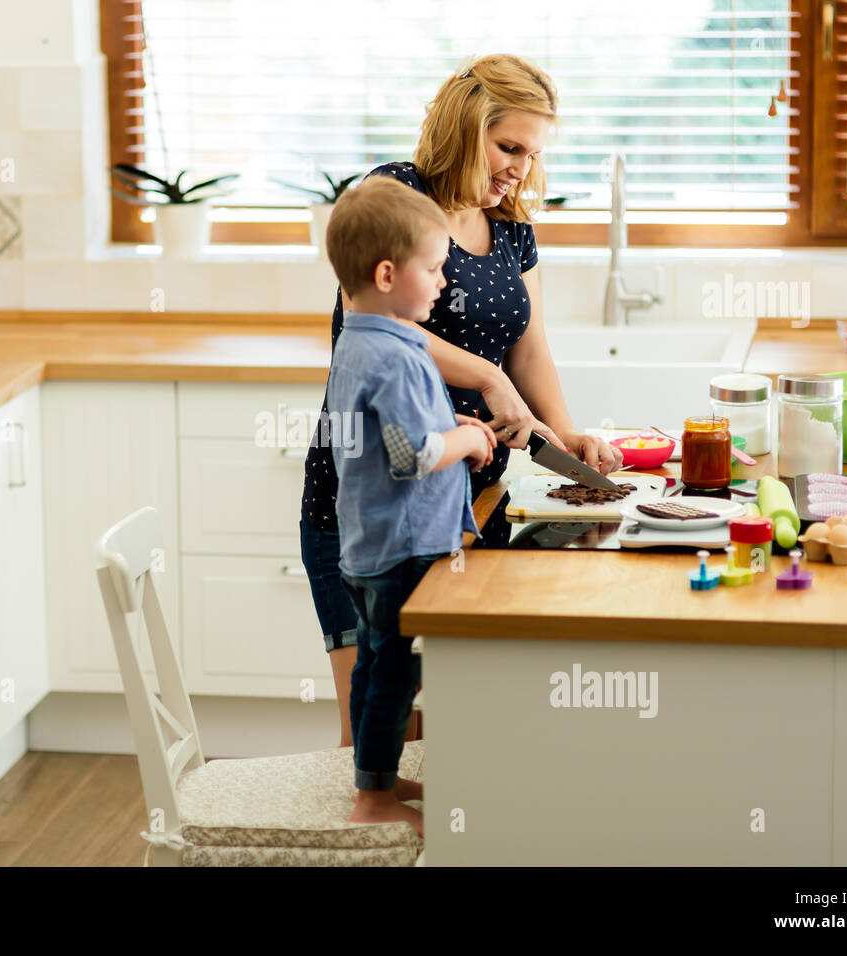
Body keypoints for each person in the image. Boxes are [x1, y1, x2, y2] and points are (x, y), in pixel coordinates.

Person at [300, 54, 625, 747]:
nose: (518, 168)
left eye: (531, 153)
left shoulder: (512, 230)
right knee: (380, 728)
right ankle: (365, 845)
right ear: (465, 122)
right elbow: (369, 329)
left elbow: (530, 353)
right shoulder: (395, 195)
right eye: (508, 146)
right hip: (368, 509)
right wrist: (485, 375)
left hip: (461, 508)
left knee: (444, 727)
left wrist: (566, 436)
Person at [323, 176, 497, 835]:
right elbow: (411, 455)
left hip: (367, 547)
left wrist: (447, 421)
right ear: (389, 273)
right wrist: (469, 436)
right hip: (404, 552)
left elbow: (382, 433)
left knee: (374, 665)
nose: (444, 283)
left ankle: (378, 777)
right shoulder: (394, 358)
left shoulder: (361, 343)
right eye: (434, 269)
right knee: (397, 677)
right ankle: (373, 803)